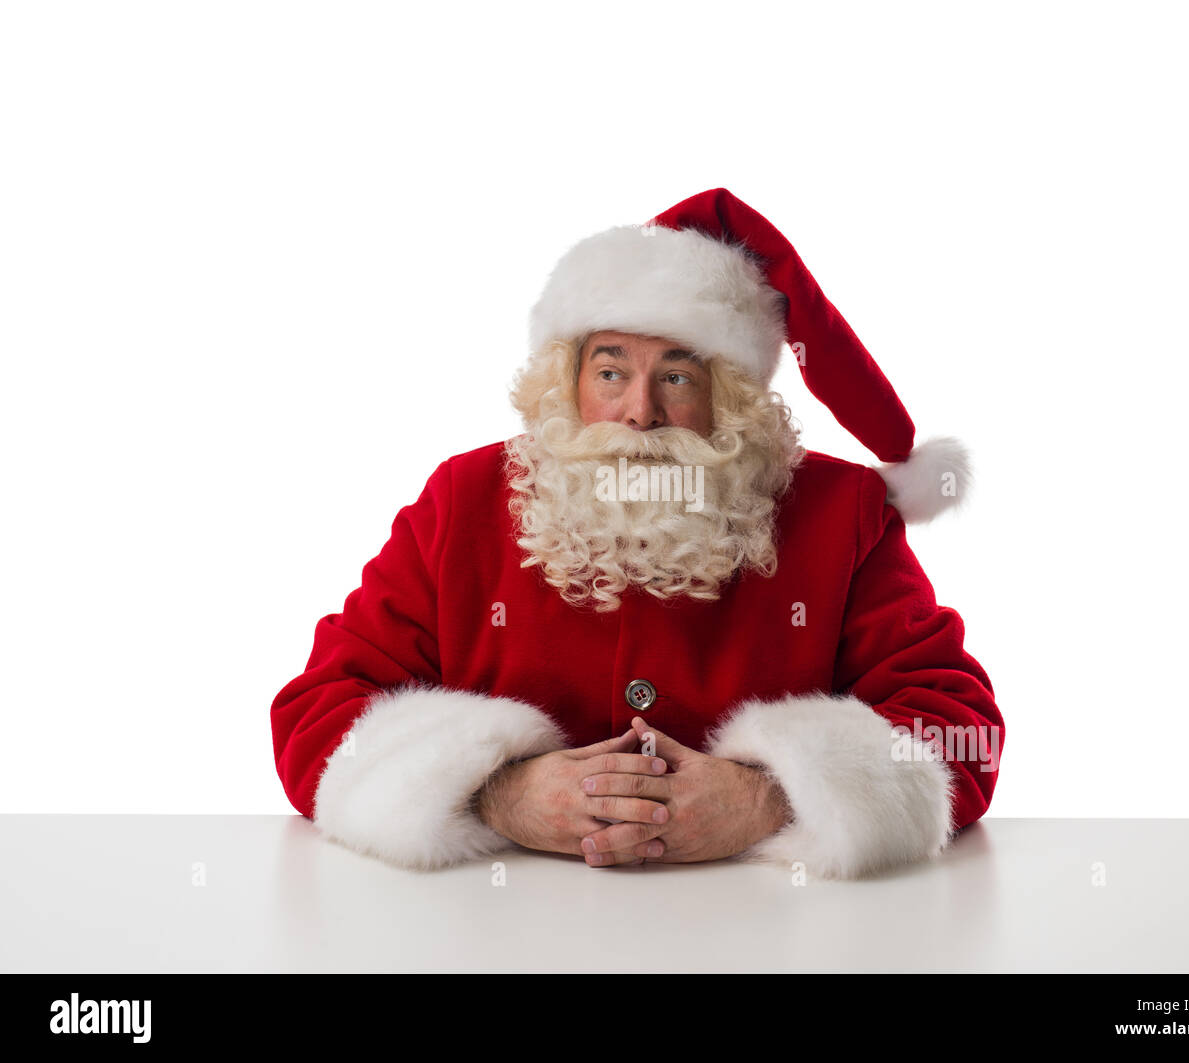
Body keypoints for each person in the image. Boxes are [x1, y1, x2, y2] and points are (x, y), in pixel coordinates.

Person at [269, 188, 1005, 879]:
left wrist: (768, 797)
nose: (640, 412)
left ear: (733, 395)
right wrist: (498, 791)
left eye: (678, 377)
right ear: (569, 381)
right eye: (611, 371)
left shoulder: (842, 512)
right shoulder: (463, 500)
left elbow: (958, 726)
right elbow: (319, 710)